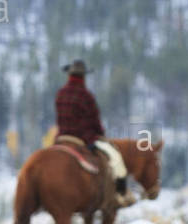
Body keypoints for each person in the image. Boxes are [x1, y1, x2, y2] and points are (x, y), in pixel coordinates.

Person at [55, 59, 133, 207]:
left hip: (61, 137)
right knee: (116, 158)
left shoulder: (60, 93)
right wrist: (100, 134)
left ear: (69, 75)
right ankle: (121, 195)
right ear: (83, 77)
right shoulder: (86, 96)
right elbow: (94, 121)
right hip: (83, 138)